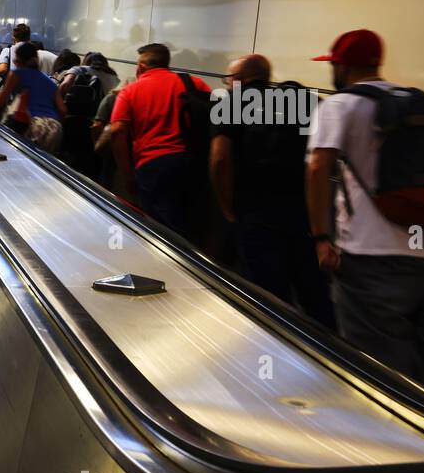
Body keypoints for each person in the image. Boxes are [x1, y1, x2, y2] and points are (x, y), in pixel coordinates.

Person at [305, 29, 424, 405]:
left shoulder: (342, 104)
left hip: (371, 260)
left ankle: (395, 459)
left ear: (342, 66)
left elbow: (317, 167)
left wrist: (320, 237)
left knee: (381, 375)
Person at [209, 54, 334, 326]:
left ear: (239, 80)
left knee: (268, 295)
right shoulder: (304, 100)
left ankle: (276, 352)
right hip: (304, 216)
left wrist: (227, 208)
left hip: (256, 213)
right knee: (315, 295)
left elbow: (220, 159)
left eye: (229, 80)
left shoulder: (232, 101)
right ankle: (333, 358)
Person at [108, 42, 212, 236]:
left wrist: (127, 174)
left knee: (159, 228)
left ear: (140, 66)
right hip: (193, 163)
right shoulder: (193, 83)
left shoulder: (130, 91)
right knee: (190, 221)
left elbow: (116, 132)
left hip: (153, 165)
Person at [0, 42, 65, 151]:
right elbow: (63, 109)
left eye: (15, 59)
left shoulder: (17, 73)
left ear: (20, 60)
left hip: (36, 126)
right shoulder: (49, 81)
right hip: (54, 129)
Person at [57, 53, 106, 175]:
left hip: (70, 122)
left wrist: (61, 108)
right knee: (87, 165)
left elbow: (63, 87)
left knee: (66, 160)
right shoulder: (113, 78)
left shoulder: (79, 70)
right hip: (93, 129)